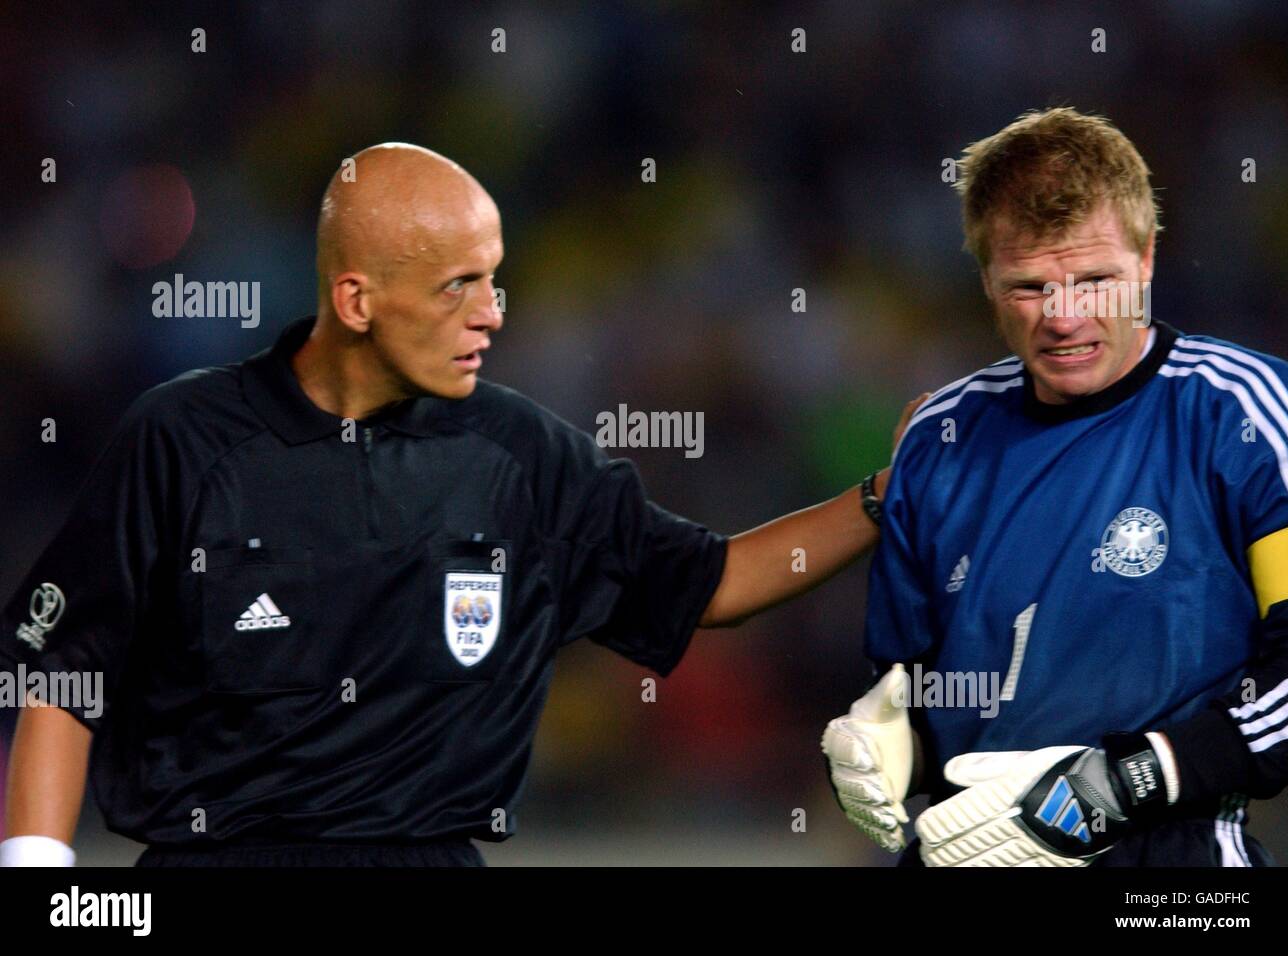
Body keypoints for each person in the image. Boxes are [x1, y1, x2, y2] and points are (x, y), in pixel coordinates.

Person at [0, 143, 919, 867]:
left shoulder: (520, 455)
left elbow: (710, 583)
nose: (493, 312)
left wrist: (883, 496)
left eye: (494, 276)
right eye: (458, 286)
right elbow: (64, 677)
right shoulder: (182, 437)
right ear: (356, 299)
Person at [823, 107, 1288, 867]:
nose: (1064, 317)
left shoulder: (1244, 415)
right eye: (1030, 287)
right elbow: (919, 683)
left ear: (1147, 259)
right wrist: (881, 738)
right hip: (966, 853)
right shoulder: (938, 438)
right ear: (985, 279)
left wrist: (1127, 782)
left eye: (1095, 280)